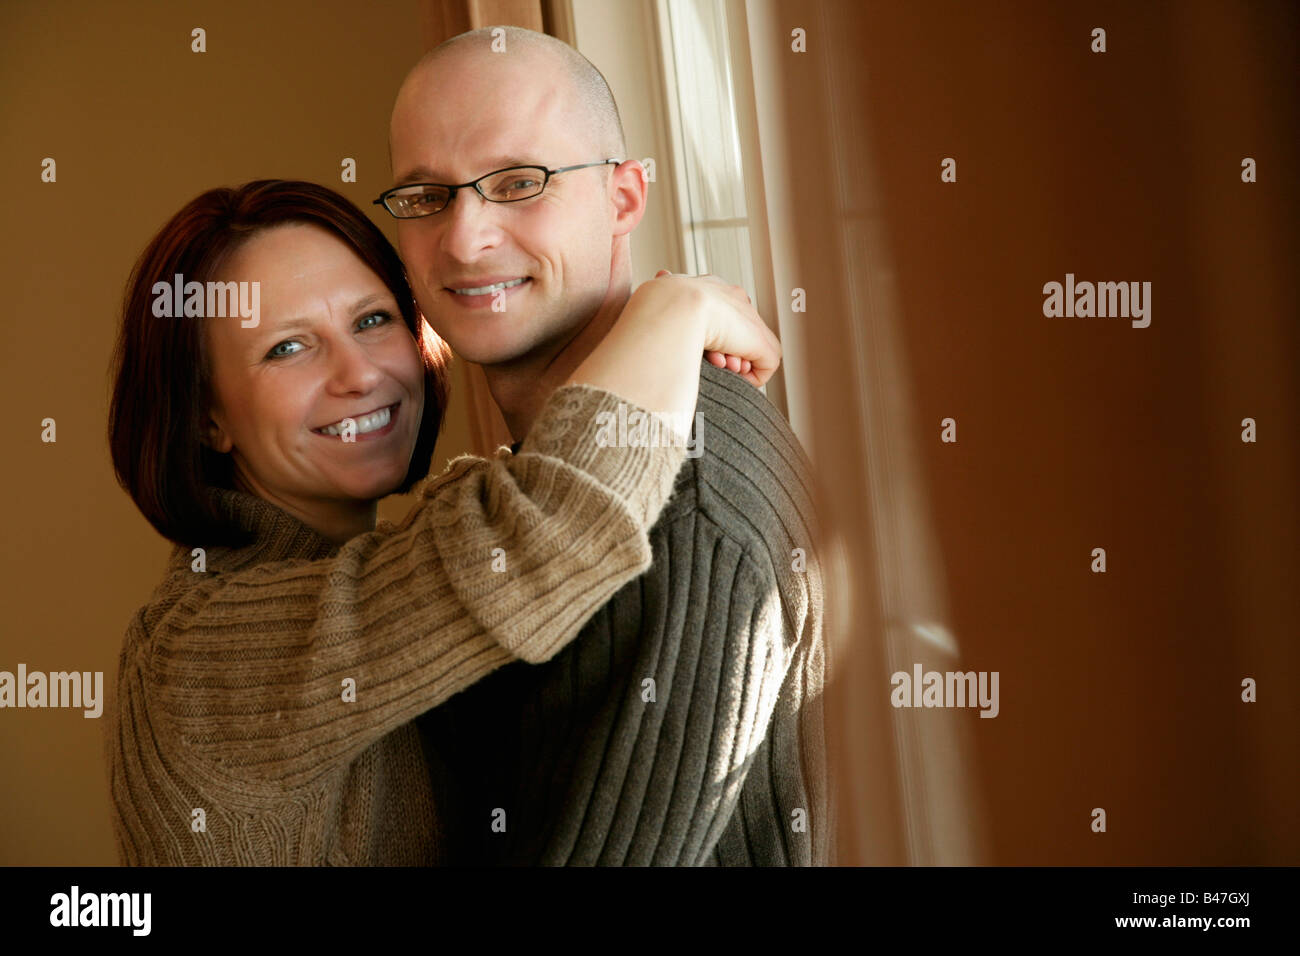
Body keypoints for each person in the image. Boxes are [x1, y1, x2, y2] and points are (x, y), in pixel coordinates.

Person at [103, 179, 778, 865]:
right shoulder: (195, 657)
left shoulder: (371, 573)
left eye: (372, 321)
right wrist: (671, 310)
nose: (359, 374)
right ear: (204, 416)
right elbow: (534, 537)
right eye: (287, 348)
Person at [384, 27, 830, 866]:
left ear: (625, 199)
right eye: (426, 196)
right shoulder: (554, 472)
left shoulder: (682, 484)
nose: (465, 238)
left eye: (520, 183)